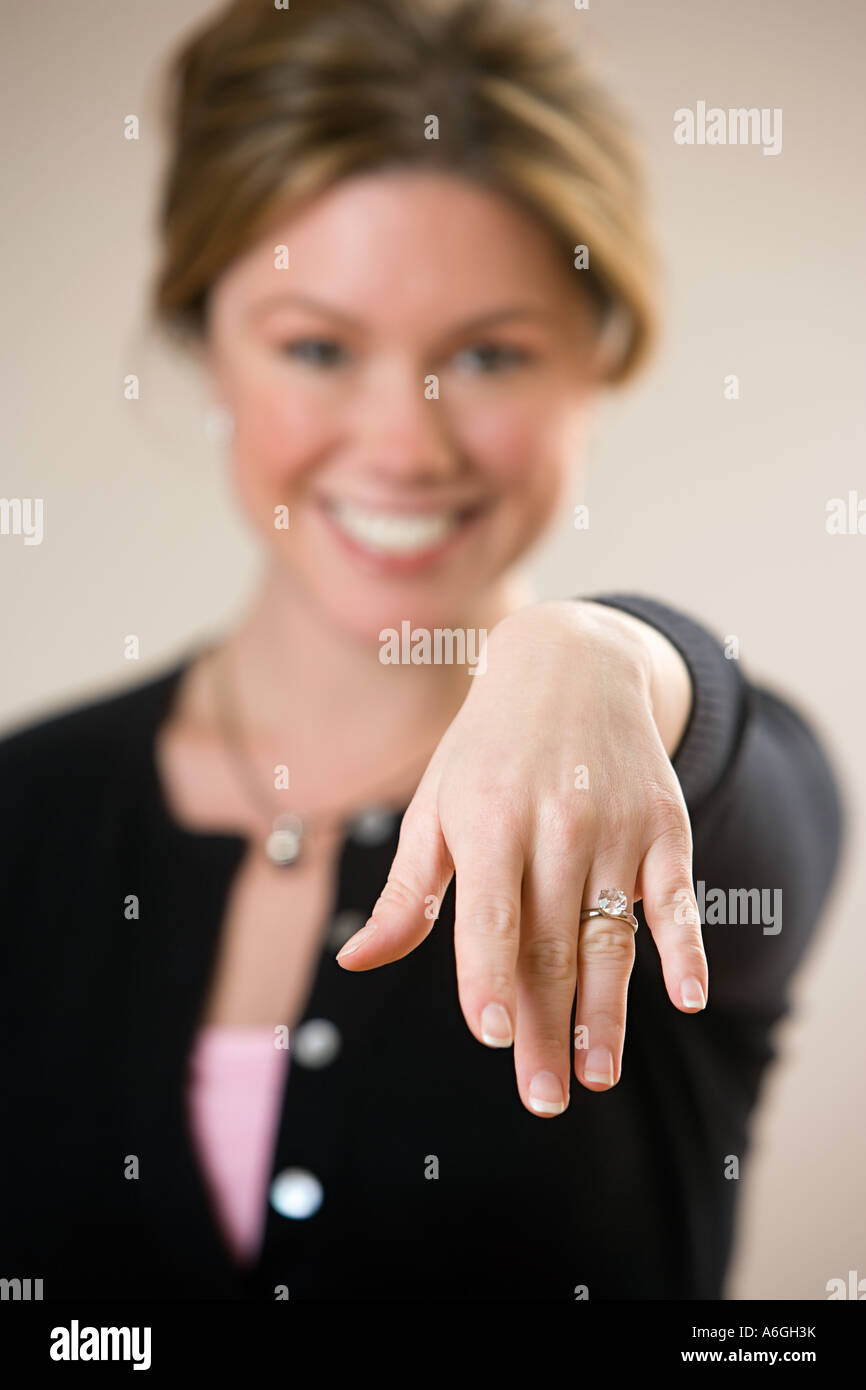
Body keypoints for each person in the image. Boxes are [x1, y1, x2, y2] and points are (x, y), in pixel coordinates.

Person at [0, 0, 842, 1300]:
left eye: (490, 353)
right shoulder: (26, 811)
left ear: (597, 361)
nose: (406, 443)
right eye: (318, 347)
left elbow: (747, 769)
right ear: (202, 342)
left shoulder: (665, 803)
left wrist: (603, 657)